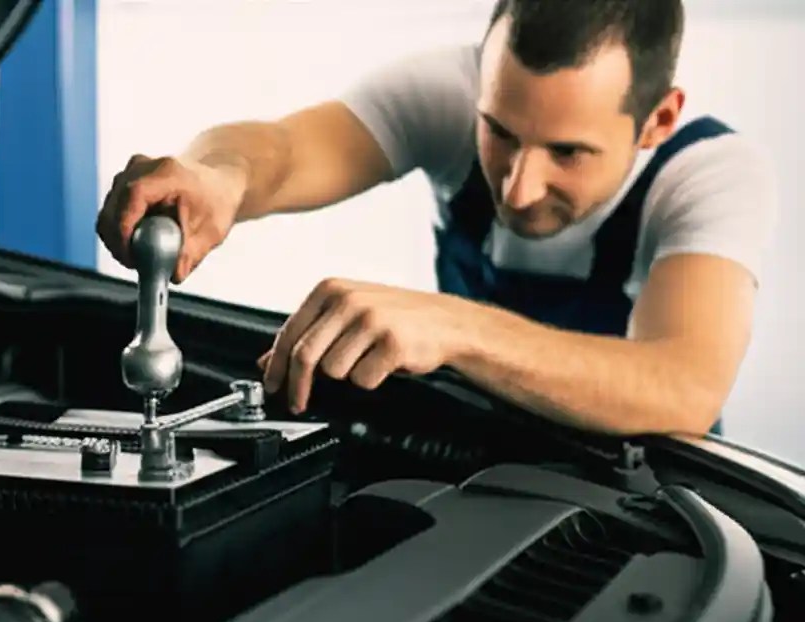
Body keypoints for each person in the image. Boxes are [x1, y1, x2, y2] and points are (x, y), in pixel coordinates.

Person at [96, 0, 777, 437]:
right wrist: (218, 177)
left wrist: (454, 327)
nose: (518, 188)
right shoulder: (453, 91)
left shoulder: (711, 174)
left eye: (568, 153)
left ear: (659, 120)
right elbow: (285, 150)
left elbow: (683, 386)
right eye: (499, 132)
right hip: (474, 462)